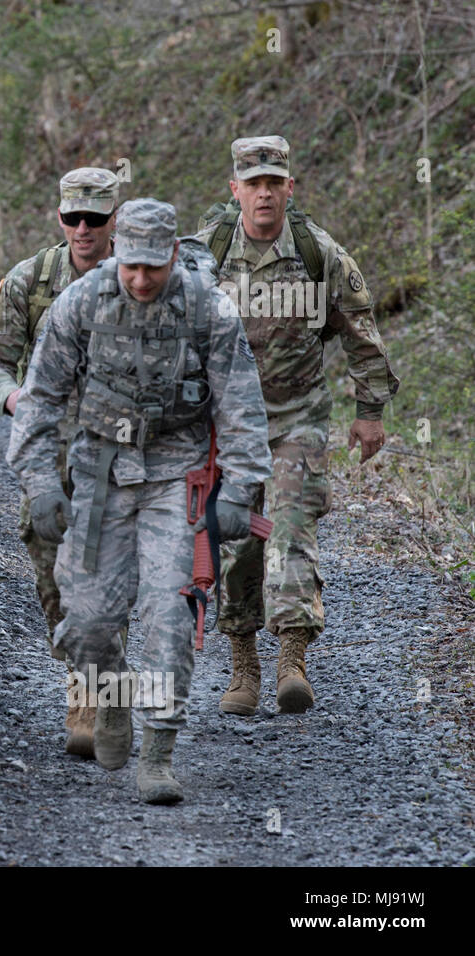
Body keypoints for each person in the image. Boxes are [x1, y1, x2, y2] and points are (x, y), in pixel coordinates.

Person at [8, 199, 272, 804]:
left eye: (154, 267)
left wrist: (238, 491)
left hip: (176, 476)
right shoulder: (80, 303)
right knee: (88, 620)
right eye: (131, 266)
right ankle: (111, 695)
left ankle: (158, 749)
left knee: (169, 616)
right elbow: (40, 398)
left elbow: (241, 406)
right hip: (100, 473)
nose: (142, 279)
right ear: (115, 255)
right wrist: (41, 483)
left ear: (175, 254)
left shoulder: (208, 307)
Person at [191, 136, 400, 715]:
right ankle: (242, 665)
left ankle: (291, 659)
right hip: (229, 426)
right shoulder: (206, 254)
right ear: (235, 190)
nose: (263, 193)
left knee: (290, 535)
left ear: (289, 188)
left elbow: (362, 332)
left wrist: (369, 412)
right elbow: (174, 333)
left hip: (297, 420)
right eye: (252, 183)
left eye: (272, 183)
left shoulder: (318, 253)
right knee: (234, 544)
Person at [0, 166, 120, 758]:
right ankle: (82, 668)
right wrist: (14, 397)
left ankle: (96, 689)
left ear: (115, 220)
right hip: (50, 454)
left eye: (95, 219)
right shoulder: (30, 279)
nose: (82, 229)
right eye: (72, 218)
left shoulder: (140, 277)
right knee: (52, 567)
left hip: (120, 452)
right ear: (59, 217)